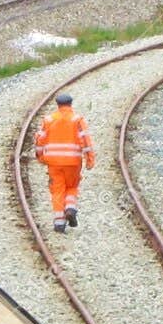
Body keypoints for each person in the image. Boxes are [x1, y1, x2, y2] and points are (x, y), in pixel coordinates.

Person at [35, 91, 95, 233]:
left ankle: (59, 223)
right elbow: (85, 139)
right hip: (73, 162)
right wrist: (89, 158)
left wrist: (39, 155)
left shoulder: (49, 119)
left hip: (53, 162)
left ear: (58, 104)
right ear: (70, 104)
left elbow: (40, 139)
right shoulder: (77, 119)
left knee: (57, 190)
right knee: (72, 186)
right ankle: (70, 208)